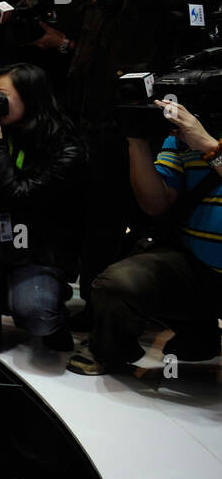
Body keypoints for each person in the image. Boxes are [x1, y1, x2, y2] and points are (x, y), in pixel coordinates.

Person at [59, 0, 222, 302]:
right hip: (96, 110)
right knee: (100, 213)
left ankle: (164, 312)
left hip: (151, 119)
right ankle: (100, 309)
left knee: (150, 214)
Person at [67, 98, 222, 374]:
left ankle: (199, 331)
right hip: (199, 268)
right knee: (118, 282)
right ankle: (110, 349)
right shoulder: (187, 133)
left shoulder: (200, 137)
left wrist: (210, 148)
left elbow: (208, 146)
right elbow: (155, 204)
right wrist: (136, 141)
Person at [0, 63, 85, 350]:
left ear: (31, 98)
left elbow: (20, 197)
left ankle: (54, 309)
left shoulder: (64, 147)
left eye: (2, 95)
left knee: (37, 317)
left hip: (35, 251)